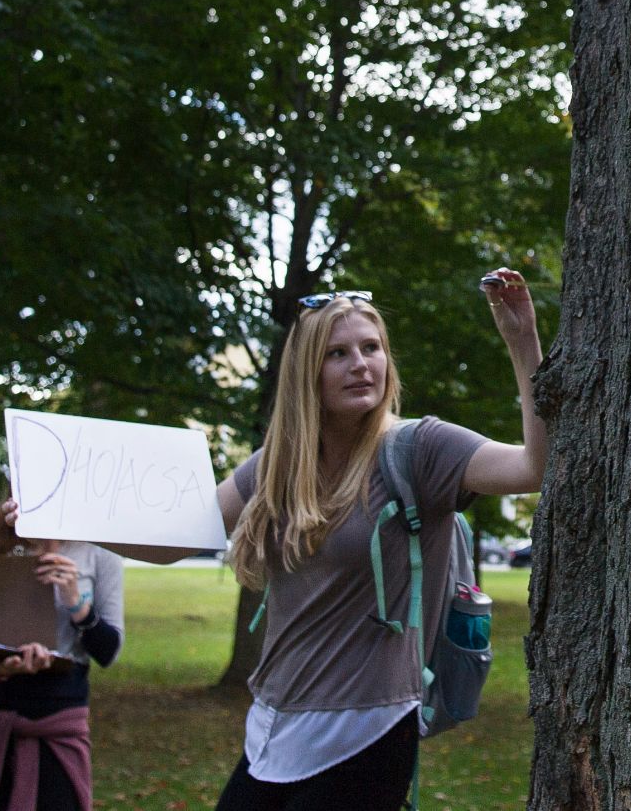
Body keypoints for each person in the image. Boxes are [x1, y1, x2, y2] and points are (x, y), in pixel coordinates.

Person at [198, 272, 549, 810]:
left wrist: (522, 339)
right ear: (305, 373)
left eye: (372, 348)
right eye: (338, 353)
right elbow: (172, 536)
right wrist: (49, 520)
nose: (361, 364)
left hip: (368, 728)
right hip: (272, 724)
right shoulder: (278, 468)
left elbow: (534, 467)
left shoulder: (421, 448)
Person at [0, 497, 125, 811]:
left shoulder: (98, 555)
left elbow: (108, 652)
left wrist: (77, 605)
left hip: (56, 728)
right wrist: (2, 669)